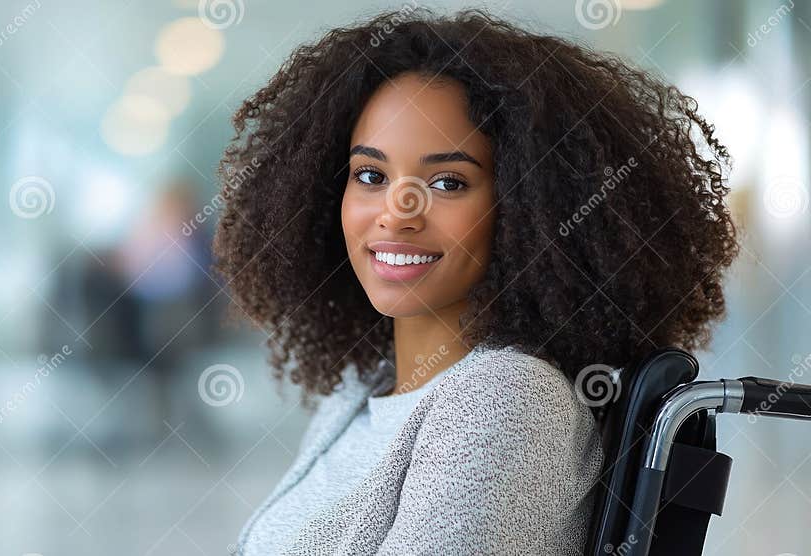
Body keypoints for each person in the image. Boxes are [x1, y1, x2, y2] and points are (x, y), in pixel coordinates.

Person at [211, 7, 739, 555]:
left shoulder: (505, 401)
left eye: (448, 181)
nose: (398, 211)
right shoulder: (358, 391)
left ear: (528, 208)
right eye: (370, 175)